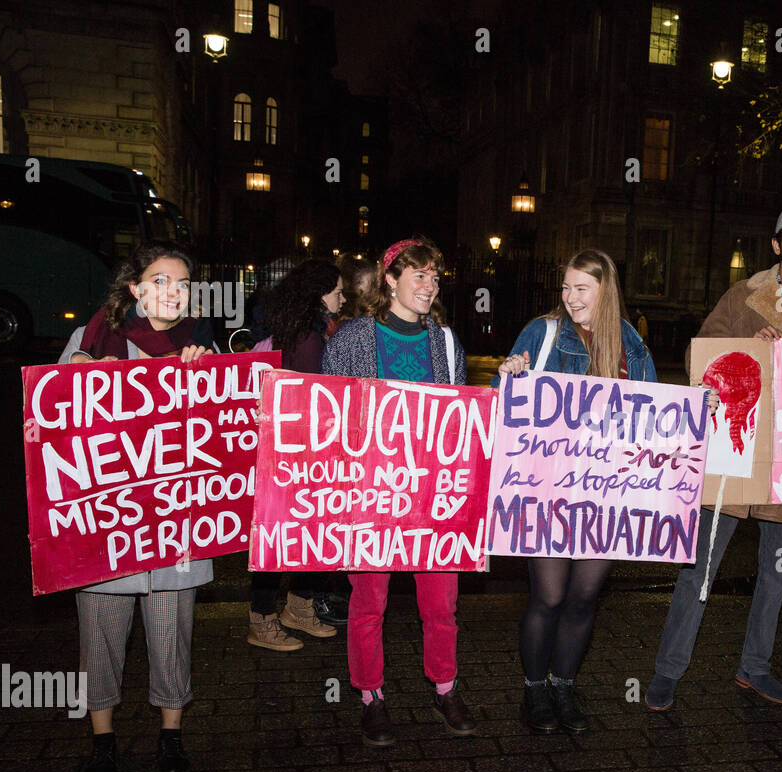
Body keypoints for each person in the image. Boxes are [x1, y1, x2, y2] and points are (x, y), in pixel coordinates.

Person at [646, 202, 782, 711]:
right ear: (776, 244)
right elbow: (706, 358)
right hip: (735, 453)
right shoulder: (742, 296)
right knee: (700, 567)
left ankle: (755, 668)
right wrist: (748, 342)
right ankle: (668, 671)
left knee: (775, 572)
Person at [319, 236, 476, 746]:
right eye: (420, 275)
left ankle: (445, 687)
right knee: (369, 601)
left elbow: (457, 421)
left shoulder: (446, 341)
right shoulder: (350, 340)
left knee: (441, 601)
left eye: (435, 277)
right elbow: (329, 419)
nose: (430, 286)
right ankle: (370, 695)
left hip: (432, 495)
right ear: (390, 279)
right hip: (371, 494)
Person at [69, 240, 215, 772]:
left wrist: (211, 371)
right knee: (100, 634)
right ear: (135, 289)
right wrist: (81, 369)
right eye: (159, 280)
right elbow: (52, 412)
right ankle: (102, 740)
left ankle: (171, 735)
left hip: (177, 528)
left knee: (173, 632)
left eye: (181, 282)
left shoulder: (203, 348)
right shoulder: (93, 338)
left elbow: (232, 422)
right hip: (110, 529)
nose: (171, 291)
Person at [494, 250, 657, 734]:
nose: (570, 298)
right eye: (565, 288)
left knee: (584, 596)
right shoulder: (543, 332)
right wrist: (507, 376)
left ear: (605, 290)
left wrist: (697, 405)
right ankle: (534, 691)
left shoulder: (632, 343)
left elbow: (655, 415)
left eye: (581, 289)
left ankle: (563, 685)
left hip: (606, 493)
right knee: (548, 594)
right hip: (546, 487)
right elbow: (506, 403)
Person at [246, 259, 345, 651]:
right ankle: (262, 619)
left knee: (306, 531)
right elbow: (309, 400)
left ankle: (298, 607)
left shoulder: (306, 330)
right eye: (337, 291)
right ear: (320, 295)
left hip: (294, 451)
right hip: (295, 454)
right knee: (280, 534)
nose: (342, 298)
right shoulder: (308, 337)